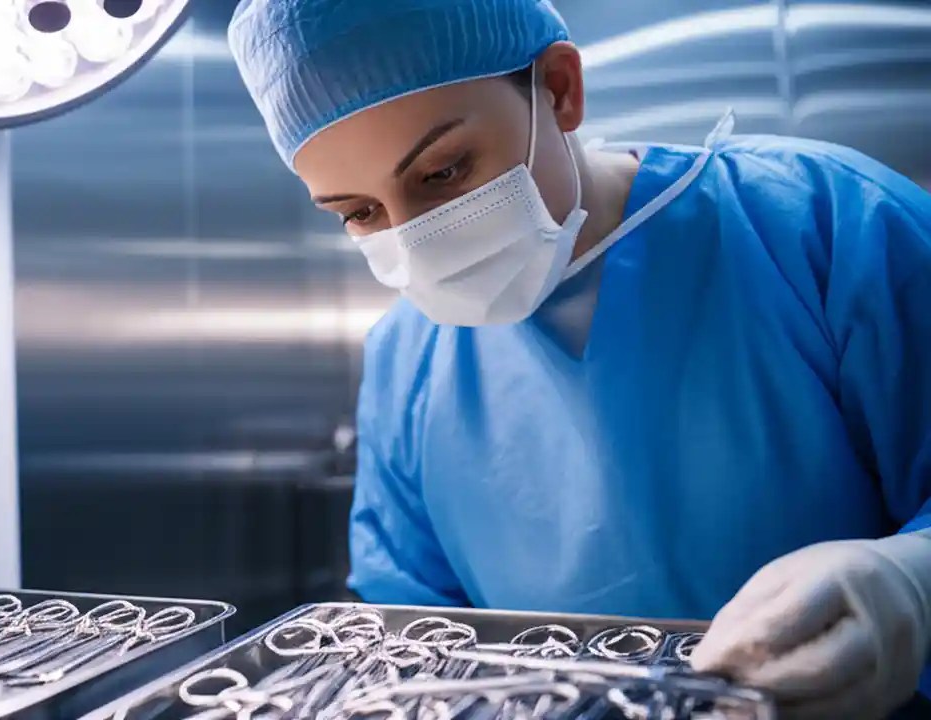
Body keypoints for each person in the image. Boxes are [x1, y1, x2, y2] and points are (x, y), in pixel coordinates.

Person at [226, 0, 931, 718]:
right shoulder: (405, 360)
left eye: (444, 172)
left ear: (560, 89)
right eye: (359, 212)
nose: (415, 241)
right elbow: (411, 635)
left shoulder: (828, 225)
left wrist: (913, 581)